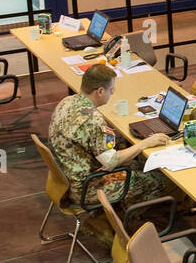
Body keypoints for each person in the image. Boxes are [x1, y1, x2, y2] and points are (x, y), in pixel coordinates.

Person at [48, 63, 186, 211]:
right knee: (162, 180)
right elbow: (111, 162)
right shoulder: (92, 119)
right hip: (87, 188)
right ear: (100, 91)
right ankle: (127, 217)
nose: (112, 93)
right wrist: (144, 143)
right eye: (111, 89)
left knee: (137, 163)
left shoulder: (67, 102)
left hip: (68, 179)